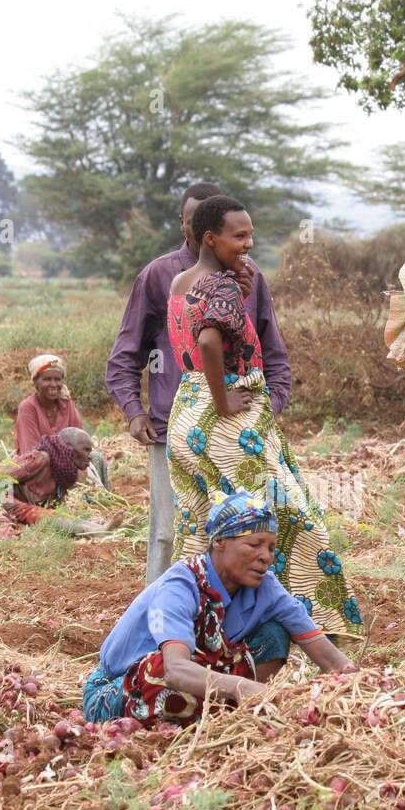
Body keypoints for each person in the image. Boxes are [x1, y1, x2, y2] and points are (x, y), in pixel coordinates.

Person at [166, 195, 364, 646]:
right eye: (239, 236)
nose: (249, 243)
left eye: (251, 234)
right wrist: (224, 401)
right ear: (210, 238)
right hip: (225, 425)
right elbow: (212, 343)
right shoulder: (219, 284)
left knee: (204, 527)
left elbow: (198, 341)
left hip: (186, 414)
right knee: (286, 520)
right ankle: (316, 633)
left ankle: (204, 634)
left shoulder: (181, 280)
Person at [106, 183, 292, 586]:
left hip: (237, 431)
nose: (246, 245)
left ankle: (226, 631)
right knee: (172, 533)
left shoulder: (249, 277)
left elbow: (271, 349)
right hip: (173, 427)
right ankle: (163, 625)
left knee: (241, 532)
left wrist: (268, 407)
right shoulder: (160, 275)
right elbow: (126, 354)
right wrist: (134, 412)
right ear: (190, 226)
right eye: (192, 222)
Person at [83, 489, 357, 725]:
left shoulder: (266, 587)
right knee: (159, 672)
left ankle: (239, 713)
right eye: (254, 544)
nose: (266, 557)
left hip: (202, 684)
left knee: (273, 634)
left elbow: (329, 657)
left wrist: (363, 689)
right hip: (119, 689)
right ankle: (230, 708)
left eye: (271, 548)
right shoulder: (182, 584)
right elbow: (175, 670)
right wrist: (244, 686)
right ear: (219, 542)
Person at [4, 427, 122, 535]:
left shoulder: (63, 474)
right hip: (13, 505)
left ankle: (101, 528)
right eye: (86, 450)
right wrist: (9, 503)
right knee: (50, 518)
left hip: (32, 511)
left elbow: (55, 507)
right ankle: (98, 530)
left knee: (61, 517)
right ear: (68, 448)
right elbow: (0, 477)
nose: (90, 456)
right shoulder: (40, 458)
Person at [16, 354, 109, 488]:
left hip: (71, 466)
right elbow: (31, 454)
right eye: (47, 379)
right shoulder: (28, 408)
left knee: (96, 458)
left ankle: (99, 500)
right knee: (43, 460)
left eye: (57, 379)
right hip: (39, 469)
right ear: (35, 382)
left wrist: (78, 467)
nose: (53, 384)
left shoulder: (67, 404)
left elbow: (82, 443)